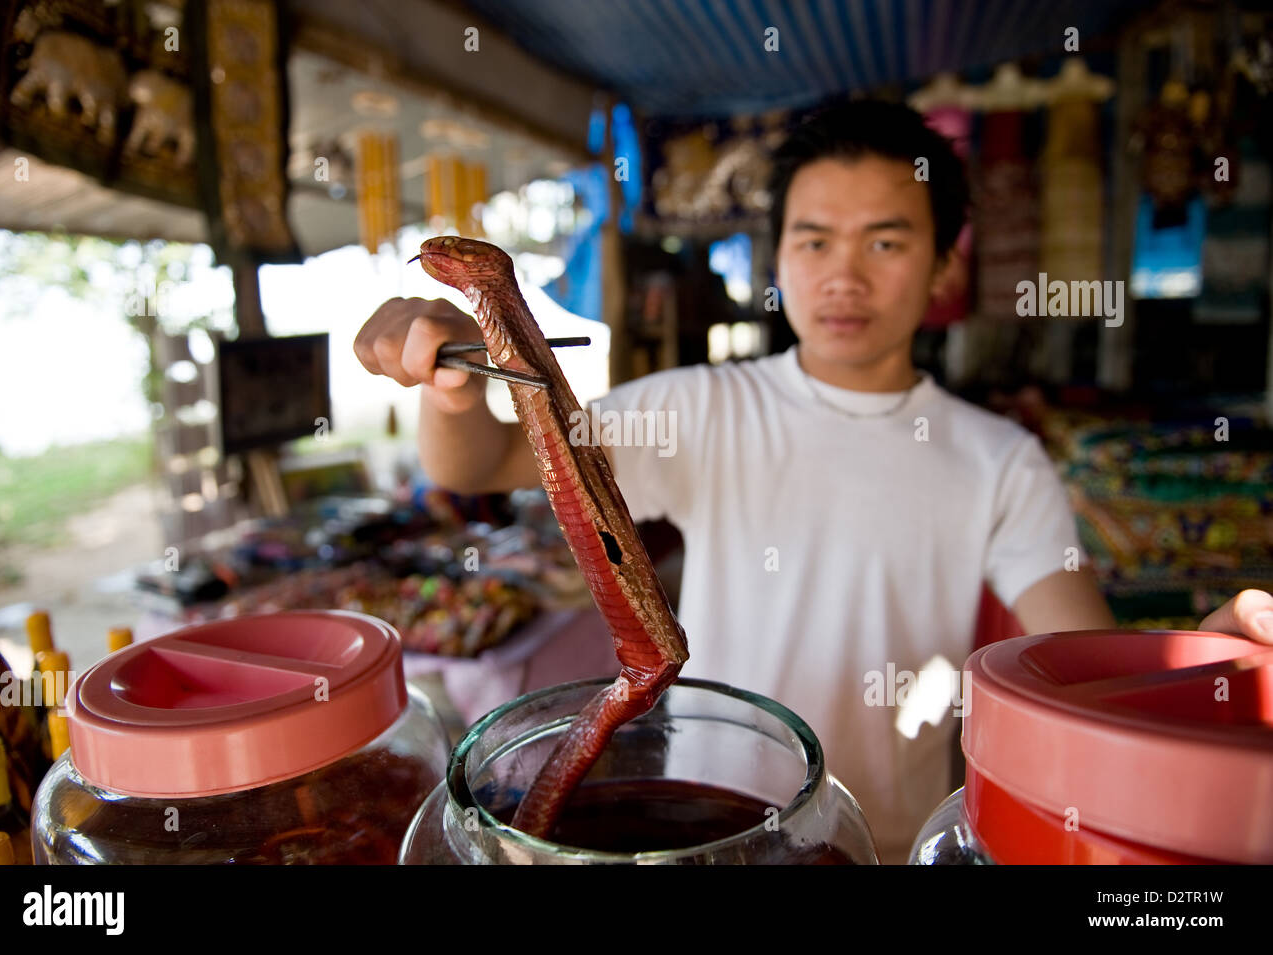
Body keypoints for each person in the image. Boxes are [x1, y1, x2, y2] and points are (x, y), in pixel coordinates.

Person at [354, 99, 1273, 862]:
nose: (844, 275)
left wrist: (1197, 676)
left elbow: (1081, 664)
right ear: (778, 255)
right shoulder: (706, 406)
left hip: (870, 839)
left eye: (885, 241)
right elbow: (486, 463)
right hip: (702, 827)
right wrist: (449, 377)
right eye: (814, 239)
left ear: (946, 261)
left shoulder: (1001, 460)